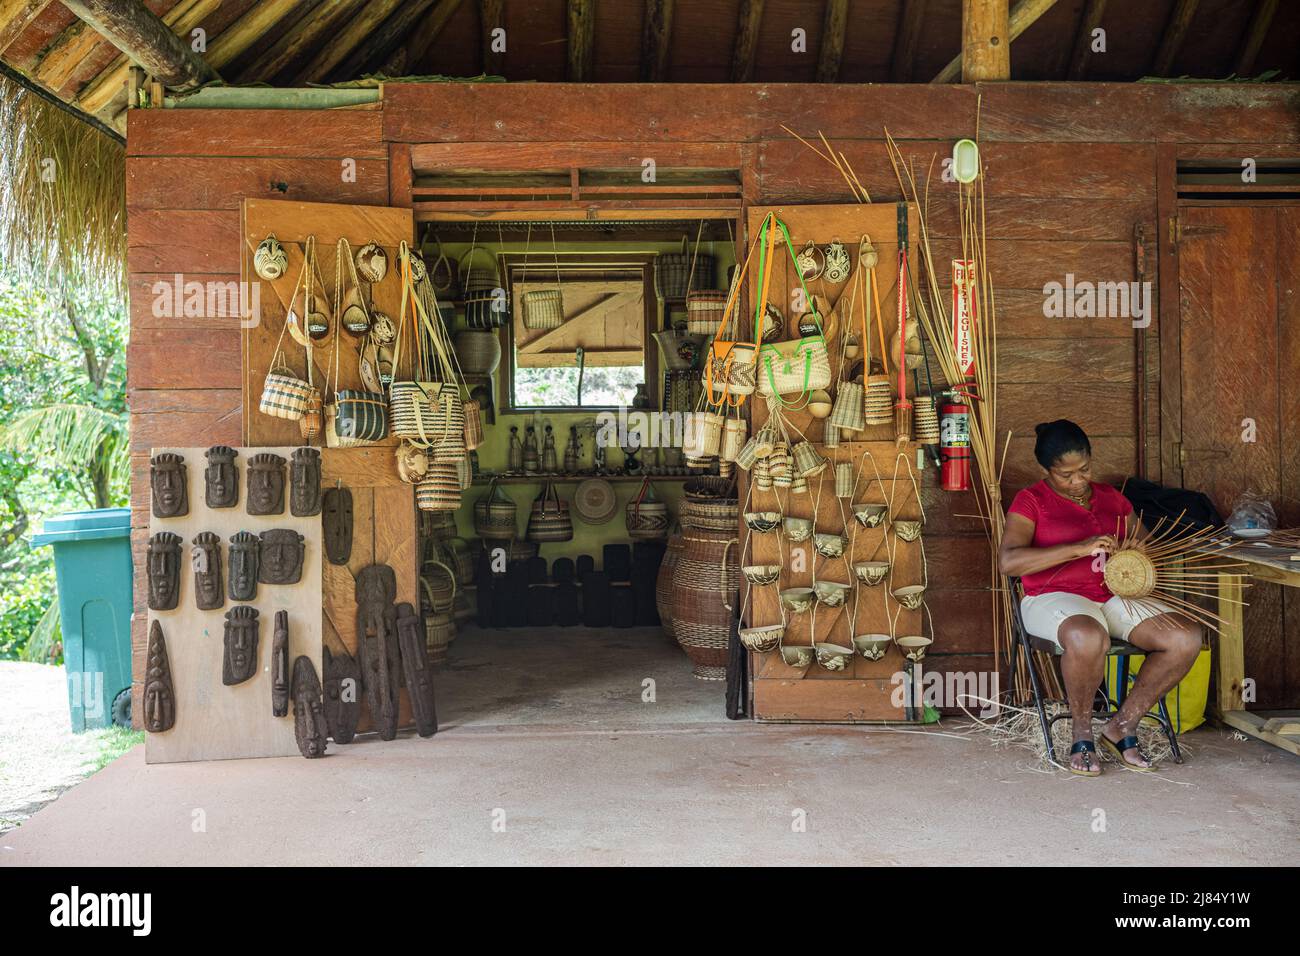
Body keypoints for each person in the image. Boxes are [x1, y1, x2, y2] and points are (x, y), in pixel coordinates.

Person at [998, 420, 1203, 776]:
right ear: (1045, 470)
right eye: (1066, 475)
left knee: (1184, 637)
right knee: (1087, 636)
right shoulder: (1031, 501)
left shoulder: (1111, 497)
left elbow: (1148, 545)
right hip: (1051, 597)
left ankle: (1122, 726)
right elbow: (1009, 561)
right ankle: (1082, 734)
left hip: (1113, 596)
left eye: (1085, 470)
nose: (1078, 481)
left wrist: (1137, 548)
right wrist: (1077, 549)